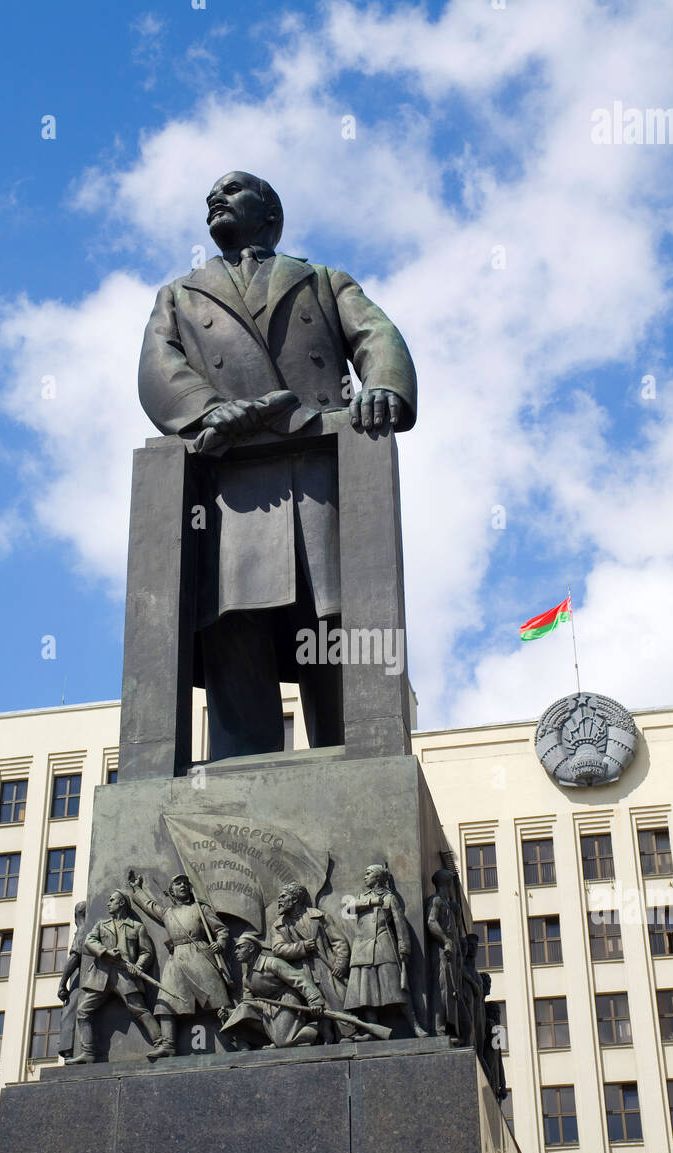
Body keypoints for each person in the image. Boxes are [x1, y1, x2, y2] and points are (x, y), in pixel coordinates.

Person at [138, 170, 417, 760]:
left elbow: (377, 335)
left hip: (319, 481)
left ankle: (355, 766)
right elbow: (158, 367)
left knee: (335, 631)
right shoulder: (181, 295)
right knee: (234, 628)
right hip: (231, 494)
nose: (216, 197)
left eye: (233, 189)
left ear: (270, 212)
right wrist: (213, 412)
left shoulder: (320, 278)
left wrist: (383, 385)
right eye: (210, 193)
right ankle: (238, 779)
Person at [127, 871, 231, 1058]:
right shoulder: (168, 913)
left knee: (217, 1000)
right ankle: (168, 1045)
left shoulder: (200, 908)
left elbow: (221, 930)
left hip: (200, 953)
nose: (182, 886)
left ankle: (236, 1037)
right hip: (176, 959)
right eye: (178, 884)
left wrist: (220, 943)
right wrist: (136, 889)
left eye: (185, 883)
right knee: (167, 1001)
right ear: (171, 891)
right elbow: (149, 906)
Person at [71, 891, 162, 1063]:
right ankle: (88, 1052)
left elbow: (146, 952)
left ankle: (161, 1043)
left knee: (139, 1010)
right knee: (83, 1011)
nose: (108, 903)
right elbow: (89, 941)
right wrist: (105, 952)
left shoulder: (136, 927)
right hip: (102, 976)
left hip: (125, 975)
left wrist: (139, 966)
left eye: (112, 900)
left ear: (121, 903)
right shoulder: (101, 925)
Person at [343, 865, 426, 1036]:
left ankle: (415, 1026)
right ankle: (373, 1029)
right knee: (365, 993)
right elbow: (348, 909)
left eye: (369, 873)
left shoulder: (390, 898)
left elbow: (399, 924)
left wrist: (404, 947)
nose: (365, 877)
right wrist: (372, 902)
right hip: (363, 949)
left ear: (379, 877)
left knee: (398, 989)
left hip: (383, 946)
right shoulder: (361, 898)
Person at [269, 880, 351, 1040]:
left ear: (295, 899)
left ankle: (348, 1033)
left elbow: (338, 941)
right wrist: (302, 947)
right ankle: (323, 1036)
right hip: (300, 973)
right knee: (313, 1009)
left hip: (325, 968)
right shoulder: (278, 925)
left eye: (283, 896)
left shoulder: (318, 916)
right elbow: (278, 949)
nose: (279, 900)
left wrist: (341, 962)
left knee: (336, 999)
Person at [222, 932, 325, 1048]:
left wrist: (315, 1000)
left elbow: (299, 979)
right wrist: (230, 1013)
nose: (236, 952)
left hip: (287, 1002)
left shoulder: (272, 963)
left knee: (284, 1042)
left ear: (251, 948)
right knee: (243, 1011)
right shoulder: (246, 978)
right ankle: (273, 1039)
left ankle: (317, 1027)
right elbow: (248, 1004)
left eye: (240, 947)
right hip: (267, 1008)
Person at [424, 869, 466, 1039]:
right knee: (442, 988)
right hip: (442, 951)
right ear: (447, 884)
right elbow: (431, 921)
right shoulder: (435, 901)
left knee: (452, 990)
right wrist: (445, 941)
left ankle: (450, 1028)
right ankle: (438, 1028)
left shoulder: (449, 904)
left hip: (452, 952)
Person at [57, 900, 89, 1060]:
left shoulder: (83, 930)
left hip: (80, 979)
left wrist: (62, 983)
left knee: (70, 1012)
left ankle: (69, 1050)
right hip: (85, 977)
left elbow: (74, 957)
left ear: (77, 915)